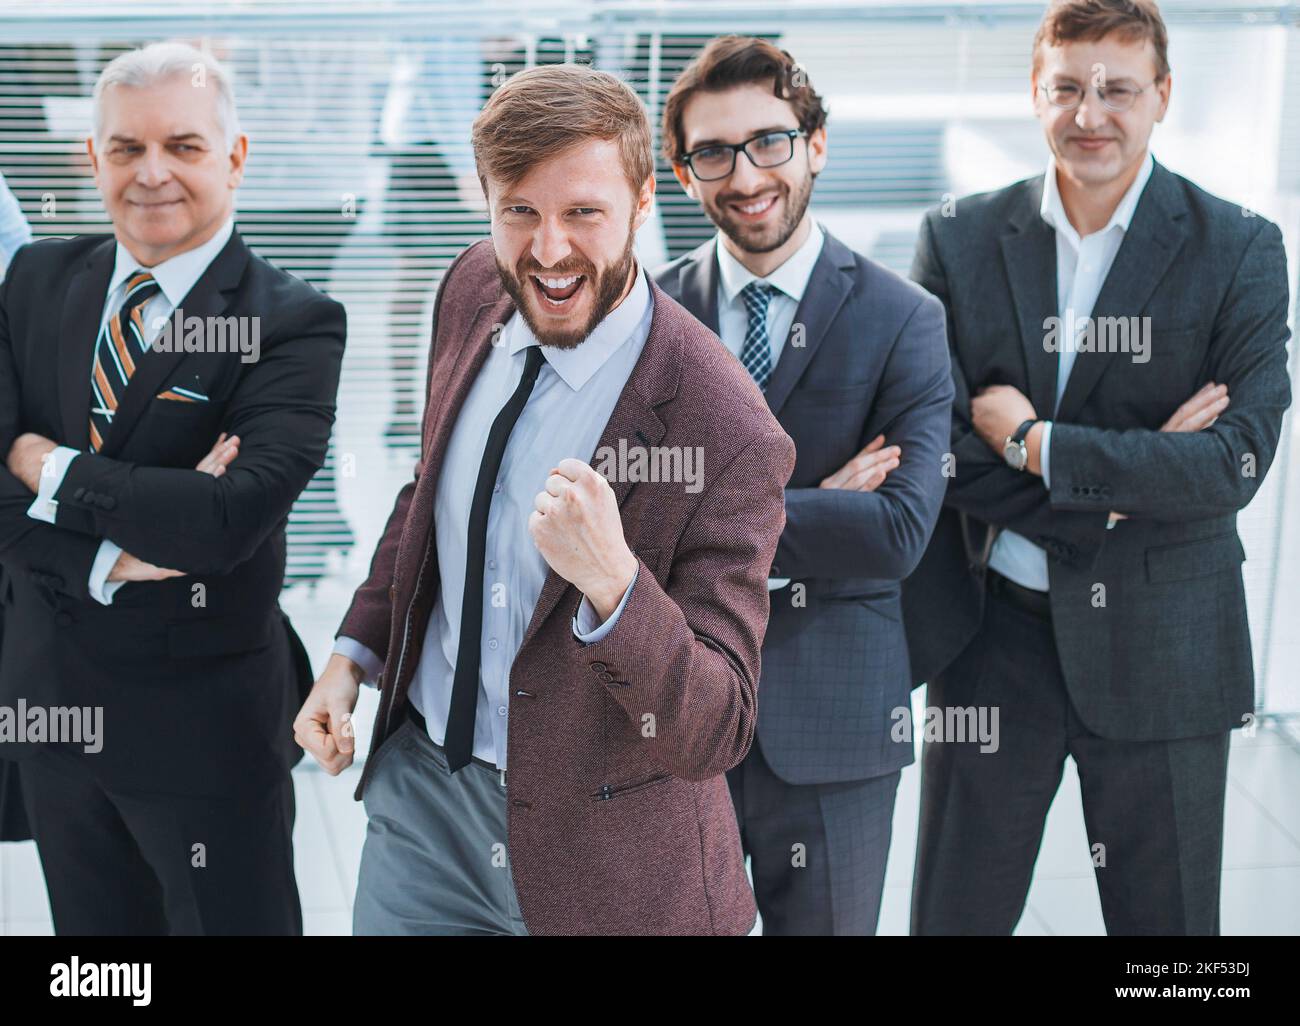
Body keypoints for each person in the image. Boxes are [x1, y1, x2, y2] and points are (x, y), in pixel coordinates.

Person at [296, 63, 796, 936]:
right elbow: (429, 492)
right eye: (519, 211)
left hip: (606, 852)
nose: (551, 249)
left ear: (644, 201)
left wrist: (616, 586)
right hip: (426, 805)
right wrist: (352, 659)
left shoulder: (726, 426)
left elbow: (717, 727)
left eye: (583, 213)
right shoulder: (467, 290)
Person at [902, 0, 1292, 935]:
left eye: (1118, 89)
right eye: (1067, 88)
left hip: (1168, 641)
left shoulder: (1238, 247)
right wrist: (1128, 485)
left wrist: (1037, 444)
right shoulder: (958, 236)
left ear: (1163, 94)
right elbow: (935, 446)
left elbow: (1233, 463)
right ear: (1035, 93)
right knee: (956, 915)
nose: (1091, 114)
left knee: (1172, 946)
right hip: (993, 643)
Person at [0, 42, 346, 934]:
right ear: (93, 159)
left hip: (206, 737)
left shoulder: (292, 321)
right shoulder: (33, 284)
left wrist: (48, 467)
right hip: (54, 715)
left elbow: (225, 520)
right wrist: (121, 549)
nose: (151, 174)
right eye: (126, 149)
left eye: (184, 147)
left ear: (234, 157)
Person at [655, 36, 952, 934]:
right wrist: (818, 500)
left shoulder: (905, 319)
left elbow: (899, 531)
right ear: (681, 173)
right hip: (675, 709)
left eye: (769, 142)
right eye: (714, 152)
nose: (745, 175)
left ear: (815, 143)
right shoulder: (648, 319)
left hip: (836, 720)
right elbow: (622, 518)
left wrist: (702, 509)